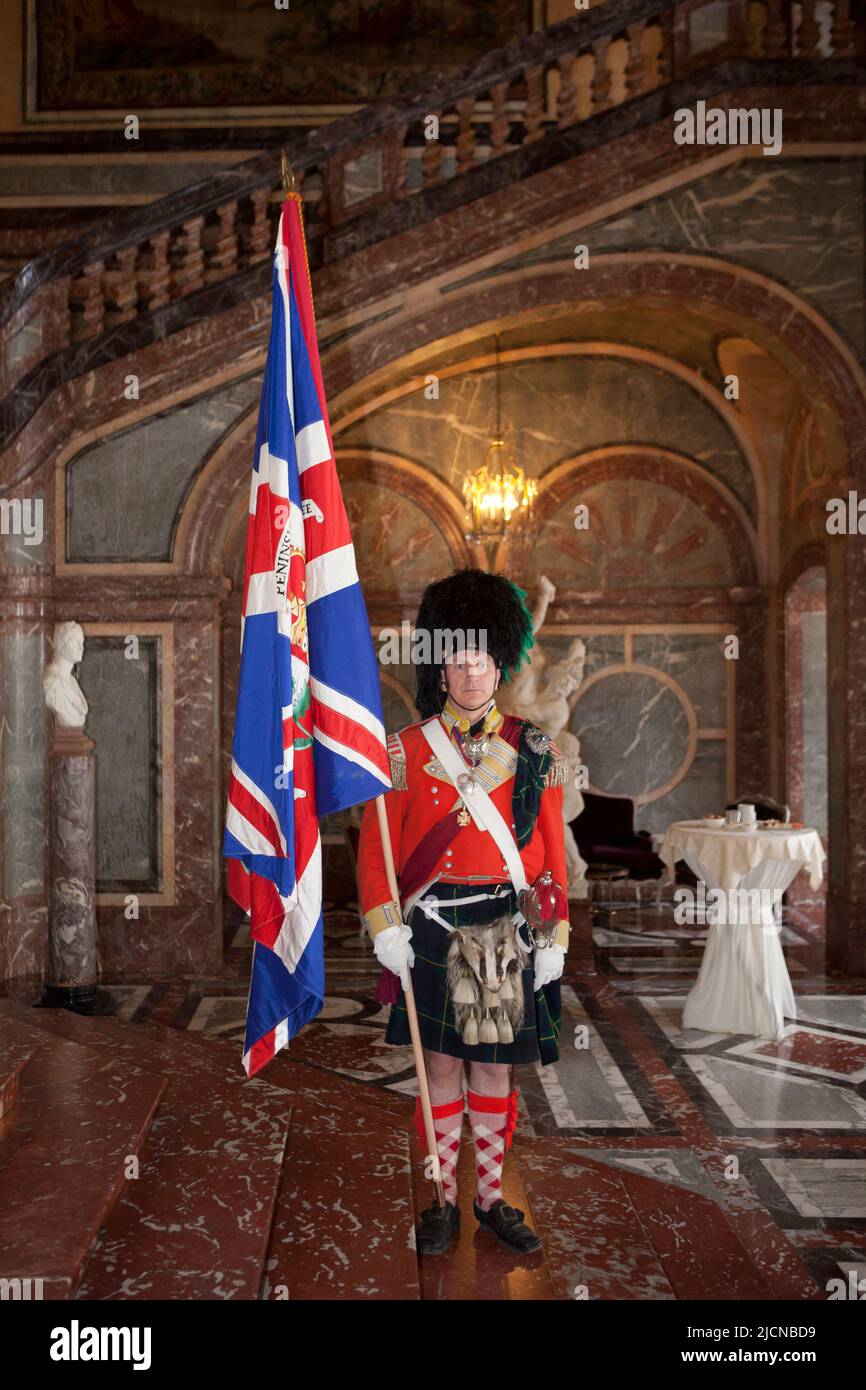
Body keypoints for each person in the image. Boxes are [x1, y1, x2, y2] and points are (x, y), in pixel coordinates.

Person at [357, 569, 570, 1256]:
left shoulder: (533, 749)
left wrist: (555, 931)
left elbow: (547, 854)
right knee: (440, 1069)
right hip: (432, 929)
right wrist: (386, 925)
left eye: (482, 662)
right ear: (440, 668)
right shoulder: (405, 750)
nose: (471, 673)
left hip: (504, 933)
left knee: (494, 1072)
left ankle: (490, 1200)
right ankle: (443, 1198)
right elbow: (374, 849)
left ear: (499, 664)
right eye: (458, 661)